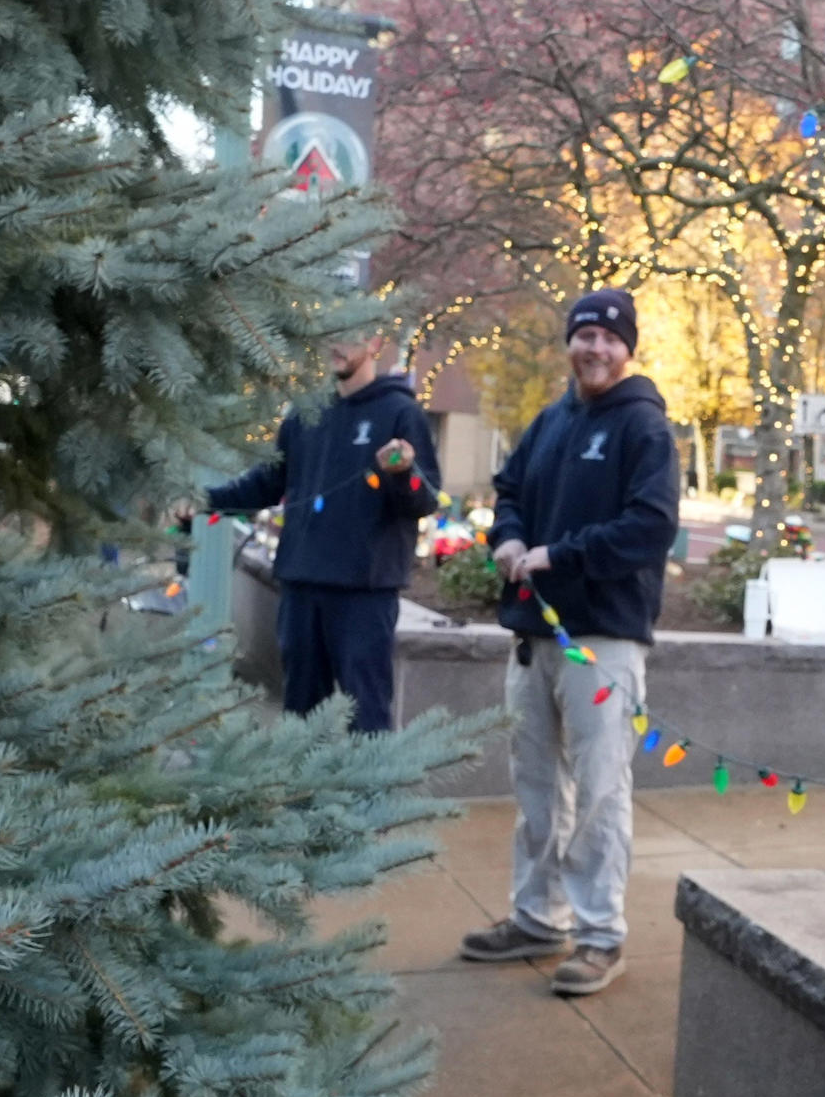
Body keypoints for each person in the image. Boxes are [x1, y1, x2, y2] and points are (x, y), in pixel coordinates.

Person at [460, 288, 679, 999]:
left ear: (628, 347)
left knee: (598, 795)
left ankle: (598, 936)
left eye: (608, 338)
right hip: (533, 637)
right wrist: (510, 535)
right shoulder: (551, 420)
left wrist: (557, 555)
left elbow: (649, 528)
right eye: (583, 336)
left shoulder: (642, 427)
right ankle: (535, 917)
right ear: (569, 343)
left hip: (603, 641)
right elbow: (509, 488)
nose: (594, 349)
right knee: (535, 793)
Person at [197, 327, 438, 731]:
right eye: (331, 334)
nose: (336, 345)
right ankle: (304, 798)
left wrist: (402, 473)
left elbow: (425, 498)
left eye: (349, 333)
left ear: (375, 342)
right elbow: (266, 484)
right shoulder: (305, 413)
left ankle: (370, 796)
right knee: (302, 721)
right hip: (300, 588)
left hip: (364, 594)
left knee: (367, 720)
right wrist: (202, 500)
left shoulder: (400, 413)